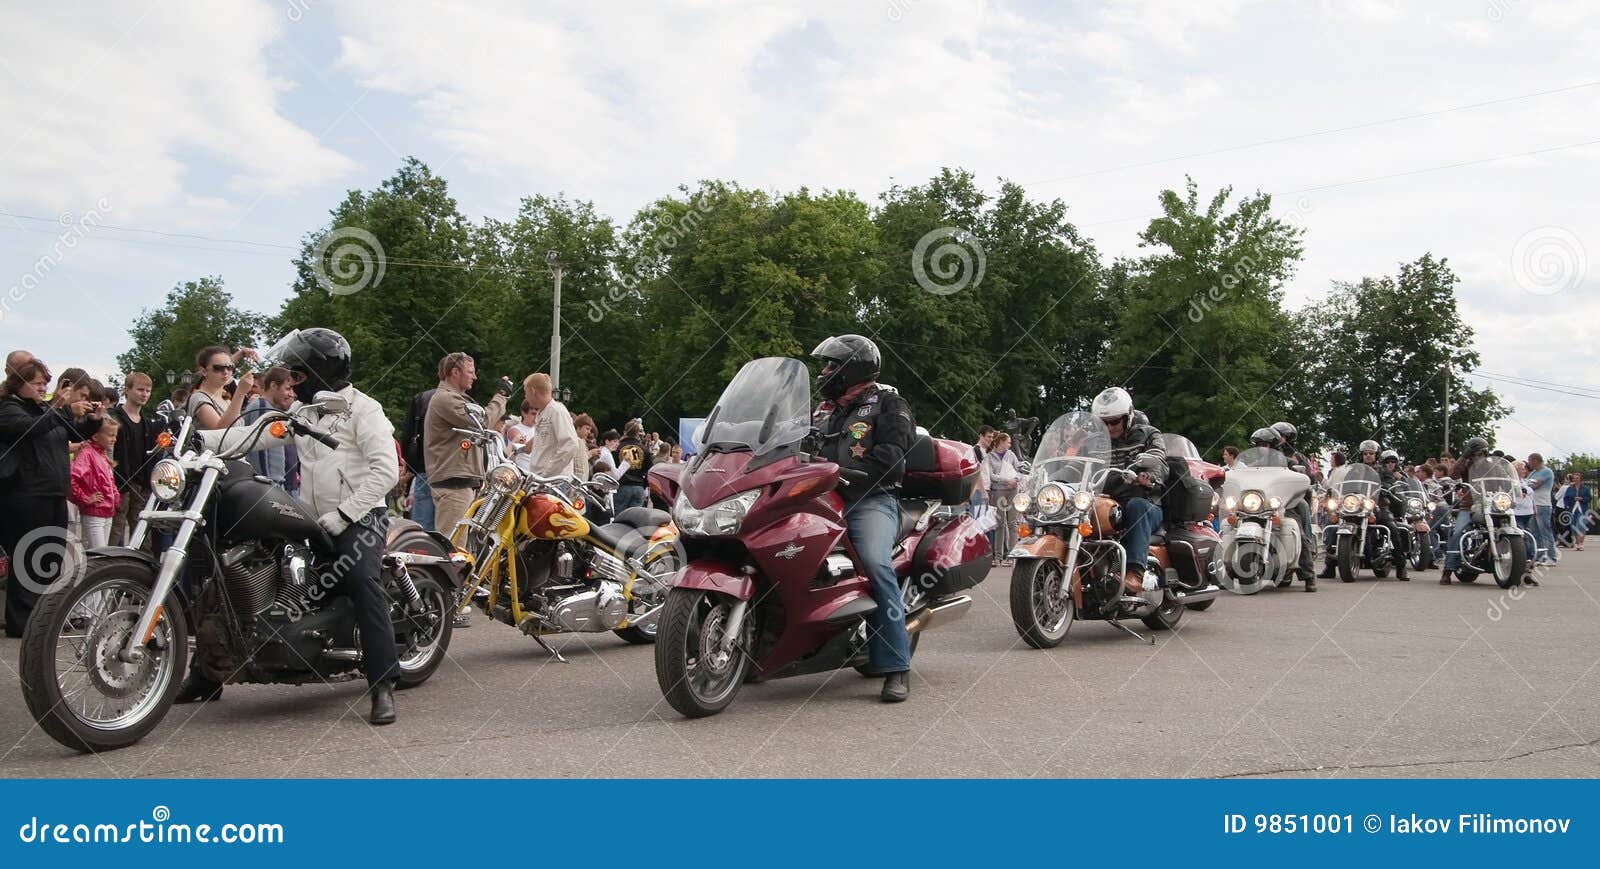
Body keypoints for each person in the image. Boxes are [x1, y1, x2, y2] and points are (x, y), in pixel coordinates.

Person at [175, 328, 402, 725]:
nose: (292, 382)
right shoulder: (303, 413)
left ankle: (382, 682)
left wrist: (346, 514)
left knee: (362, 581)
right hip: (312, 516)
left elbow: (386, 472)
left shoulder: (365, 410)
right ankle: (206, 676)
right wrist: (198, 440)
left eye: (297, 374)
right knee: (230, 572)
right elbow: (251, 437)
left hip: (360, 516)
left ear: (318, 372)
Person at [811, 334, 916, 703]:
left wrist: (854, 473)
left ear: (851, 369)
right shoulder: (822, 410)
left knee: (874, 564)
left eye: (830, 364)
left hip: (869, 500)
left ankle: (896, 666)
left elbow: (893, 453)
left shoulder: (889, 403)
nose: (823, 372)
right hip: (818, 499)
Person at [0, 358, 104, 636]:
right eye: (36, 383)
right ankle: (20, 623)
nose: (43, 388)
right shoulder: (9, 407)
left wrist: (93, 421)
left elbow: (70, 432)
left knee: (50, 557)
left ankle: (40, 619)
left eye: (45, 382)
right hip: (25, 493)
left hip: (54, 492)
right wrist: (59, 406)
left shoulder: (45, 409)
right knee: (25, 557)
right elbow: (28, 430)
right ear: (19, 384)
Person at [424, 352, 510, 543]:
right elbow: (483, 421)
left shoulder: (452, 398)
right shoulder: (447, 399)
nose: (475, 376)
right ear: (455, 372)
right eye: (470, 371)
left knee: (461, 547)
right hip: (454, 485)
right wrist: (501, 396)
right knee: (453, 548)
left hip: (459, 482)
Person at [1089, 387, 1166, 595]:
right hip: (1105, 502)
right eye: (1103, 422)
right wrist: (1055, 476)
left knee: (1136, 505)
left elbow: (1158, 459)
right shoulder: (1092, 441)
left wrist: (1149, 477)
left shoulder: (1147, 435)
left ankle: (1135, 572)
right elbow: (1076, 464)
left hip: (1147, 502)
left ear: (1128, 416)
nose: (1109, 427)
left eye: (1114, 421)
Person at [109, 372, 164, 546]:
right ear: (127, 390)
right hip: (119, 482)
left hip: (142, 483)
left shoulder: (148, 423)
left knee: (141, 529)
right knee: (115, 528)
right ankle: (108, 565)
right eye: (140, 390)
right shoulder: (113, 417)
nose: (144, 394)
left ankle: (141, 566)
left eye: (148, 391)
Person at [1272, 421, 1321, 591]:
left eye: (1282, 436)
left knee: (1297, 528)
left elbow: (1310, 479)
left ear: (1290, 438)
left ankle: (1308, 575)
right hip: (1265, 501)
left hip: (1290, 501)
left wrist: (1301, 472)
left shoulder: (1297, 458)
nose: (1279, 439)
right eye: (1276, 436)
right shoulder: (1262, 458)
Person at [1440, 436, 1492, 585]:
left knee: (1517, 528)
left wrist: (1515, 487)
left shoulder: (1492, 466)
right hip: (1469, 506)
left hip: (1491, 505)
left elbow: (1504, 477)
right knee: (1458, 532)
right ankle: (1448, 571)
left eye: (1481, 453)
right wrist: (1464, 457)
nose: (1478, 456)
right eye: (1475, 453)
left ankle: (1524, 568)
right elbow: (1453, 475)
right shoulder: (1466, 464)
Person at [243, 367, 299, 496]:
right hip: (270, 487)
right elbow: (263, 453)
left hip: (283, 485)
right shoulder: (262, 409)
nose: (292, 394)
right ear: (273, 385)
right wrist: (272, 487)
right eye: (288, 388)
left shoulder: (272, 410)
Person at [520, 373, 587, 480]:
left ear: (533, 391)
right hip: (543, 479)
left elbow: (570, 445)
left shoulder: (557, 411)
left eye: (525, 392)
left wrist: (547, 474)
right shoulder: (544, 412)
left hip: (552, 481)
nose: (525, 396)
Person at [70, 418, 120, 548]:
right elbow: (72, 478)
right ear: (96, 436)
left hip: (107, 511)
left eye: (115, 435)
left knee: (102, 553)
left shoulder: (102, 455)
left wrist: (115, 497)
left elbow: (109, 481)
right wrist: (85, 498)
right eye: (110, 435)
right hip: (94, 513)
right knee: (98, 553)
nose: (114, 439)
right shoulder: (87, 454)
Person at [186, 345, 258, 430]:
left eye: (230, 367)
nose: (225, 372)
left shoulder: (225, 397)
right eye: (218, 368)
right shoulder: (199, 398)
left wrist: (241, 353)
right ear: (204, 371)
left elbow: (224, 363)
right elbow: (219, 431)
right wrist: (240, 393)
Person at [399, 384, 437, 530]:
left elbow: (409, 434)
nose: (474, 377)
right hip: (448, 473)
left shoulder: (422, 398)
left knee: (422, 525)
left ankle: (418, 547)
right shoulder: (462, 401)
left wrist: (409, 464)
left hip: (423, 469)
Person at [985, 432, 1023, 566]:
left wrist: (1015, 479)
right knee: (1000, 524)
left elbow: (1019, 470)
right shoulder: (990, 456)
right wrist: (1006, 480)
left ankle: (1011, 557)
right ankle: (998, 557)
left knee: (1012, 523)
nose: (1010, 444)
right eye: (1008, 442)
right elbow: (991, 475)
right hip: (999, 491)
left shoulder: (1011, 455)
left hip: (1013, 490)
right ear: (1001, 442)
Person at [1375, 449, 1411, 581]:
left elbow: (1390, 482)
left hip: (1380, 505)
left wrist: (1385, 488)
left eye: (1371, 453)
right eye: (1365, 453)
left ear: (1375, 455)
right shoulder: (1357, 469)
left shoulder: (1384, 472)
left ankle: (1401, 566)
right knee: (1336, 523)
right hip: (1359, 505)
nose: (1368, 456)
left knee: (1393, 529)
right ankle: (1330, 565)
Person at [1525, 453, 1557, 566]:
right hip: (1533, 504)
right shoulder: (1533, 473)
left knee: (1545, 531)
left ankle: (1551, 557)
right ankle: (1539, 556)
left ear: (1535, 460)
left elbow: (1535, 485)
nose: (1528, 464)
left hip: (1543, 504)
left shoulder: (1546, 471)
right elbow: (1526, 485)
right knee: (1534, 532)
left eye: (1529, 461)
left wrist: (1527, 485)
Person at [614, 420, 652, 511]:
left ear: (625, 432)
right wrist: (645, 485)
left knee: (619, 518)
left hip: (622, 486)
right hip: (638, 486)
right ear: (637, 433)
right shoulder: (645, 449)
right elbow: (650, 470)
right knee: (635, 518)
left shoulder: (617, 448)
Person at [503, 400, 539, 474]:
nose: (536, 417)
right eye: (533, 414)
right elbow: (526, 449)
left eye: (538, 414)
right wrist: (540, 430)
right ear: (523, 413)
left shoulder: (537, 430)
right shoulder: (515, 429)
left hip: (537, 473)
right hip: (521, 472)